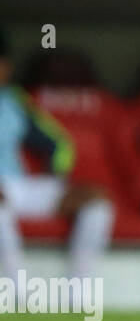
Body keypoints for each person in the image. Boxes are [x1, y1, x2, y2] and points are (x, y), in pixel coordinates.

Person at [0, 31, 114, 286]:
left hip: (17, 186)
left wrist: (56, 175)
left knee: (96, 200)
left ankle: (79, 290)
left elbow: (59, 144)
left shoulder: (14, 101)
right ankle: (17, 291)